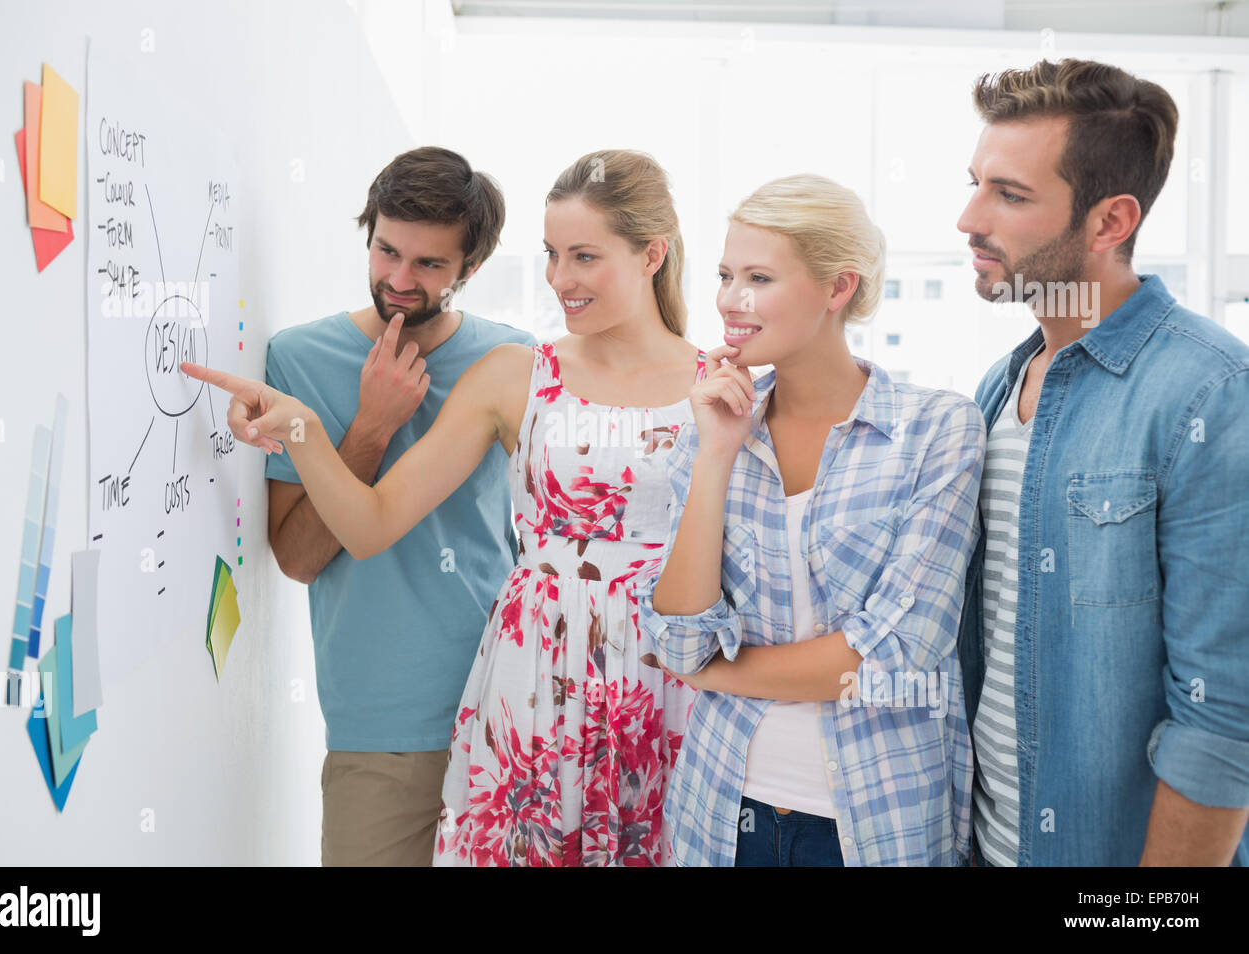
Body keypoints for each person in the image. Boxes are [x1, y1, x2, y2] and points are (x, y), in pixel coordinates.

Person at [185, 148, 729, 866]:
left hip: (658, 699)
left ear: (469, 269)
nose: (561, 279)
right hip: (488, 700)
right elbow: (335, 539)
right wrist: (334, 427)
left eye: (584, 256)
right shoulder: (509, 374)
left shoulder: (700, 387)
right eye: (553, 256)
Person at [639, 173, 985, 866]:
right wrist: (715, 458)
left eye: (760, 277)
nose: (731, 300)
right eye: (726, 274)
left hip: (874, 817)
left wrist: (717, 672)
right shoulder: (710, 427)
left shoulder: (936, 429)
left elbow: (894, 655)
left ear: (838, 288)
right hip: (723, 806)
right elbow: (678, 642)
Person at [956, 58, 1249, 866]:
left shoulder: (1212, 392)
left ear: (1110, 220)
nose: (968, 218)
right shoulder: (1001, 384)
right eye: (976, 183)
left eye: (1009, 195)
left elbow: (1225, 717)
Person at [260, 146, 534, 866]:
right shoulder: (299, 359)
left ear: (470, 270)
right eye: (387, 251)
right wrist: (372, 427)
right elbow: (297, 556)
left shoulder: (513, 360)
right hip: (376, 723)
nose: (399, 280)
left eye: (429, 266)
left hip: (508, 703)